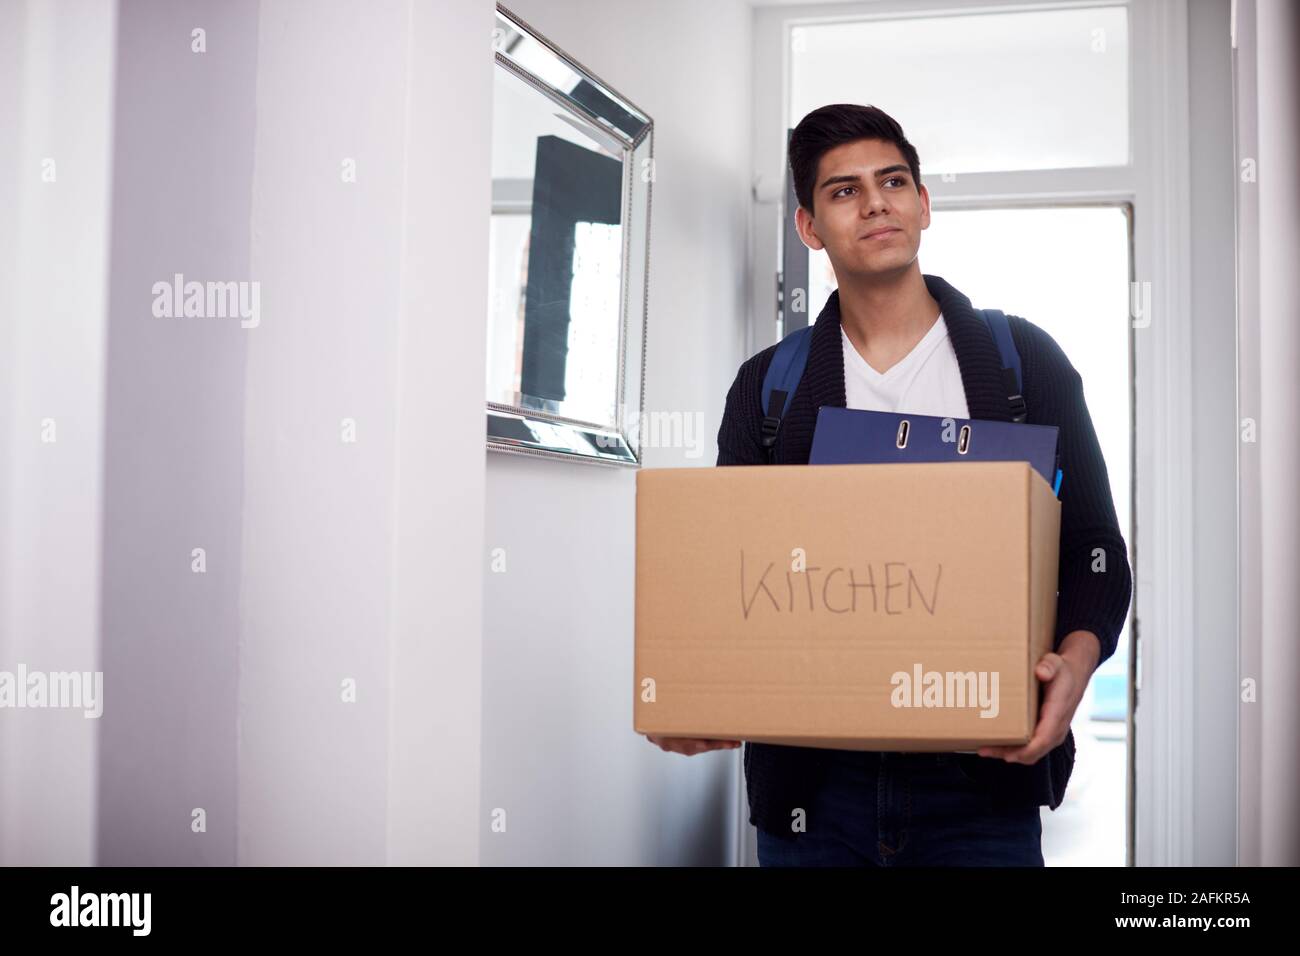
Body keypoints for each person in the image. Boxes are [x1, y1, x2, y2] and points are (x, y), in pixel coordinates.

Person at [647, 103, 1132, 867]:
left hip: (983, 783)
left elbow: (1096, 552)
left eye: (894, 182)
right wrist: (685, 690)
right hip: (814, 795)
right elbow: (734, 579)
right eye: (844, 191)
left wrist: (1075, 665)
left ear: (923, 204)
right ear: (809, 227)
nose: (875, 203)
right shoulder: (769, 388)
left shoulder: (1022, 362)